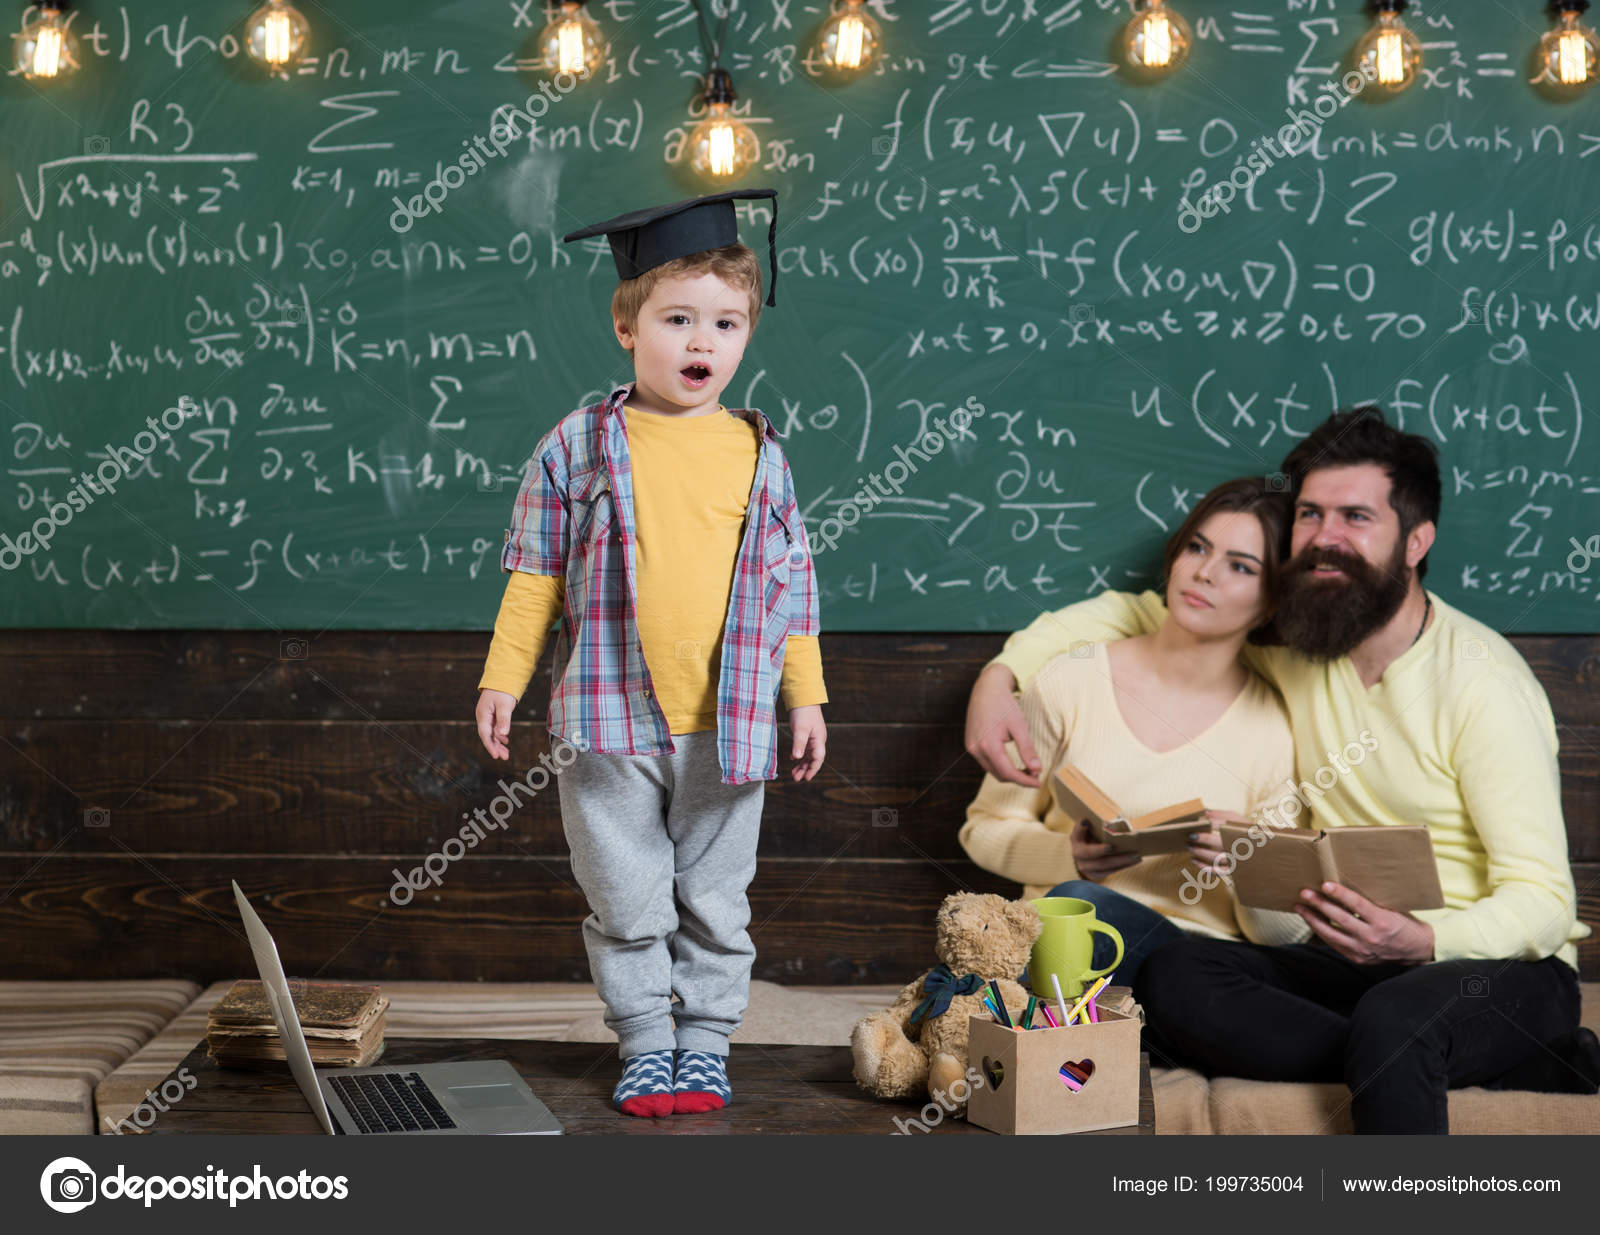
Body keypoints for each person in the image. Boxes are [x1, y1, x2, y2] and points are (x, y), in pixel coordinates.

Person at [966, 407, 1597, 1133]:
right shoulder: (1301, 640)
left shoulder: (1485, 683)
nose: (1327, 537)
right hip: (1351, 954)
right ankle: (1507, 1060)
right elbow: (1144, 614)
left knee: (1397, 1016)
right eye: (1310, 513)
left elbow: (1546, 900)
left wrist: (1425, 941)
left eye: (1356, 516)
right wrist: (1001, 676)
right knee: (1178, 975)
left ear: (1416, 540)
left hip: (1491, 964)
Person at [473, 190, 828, 1118]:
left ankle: (704, 1042)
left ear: (748, 331)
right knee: (626, 895)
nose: (700, 340)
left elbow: (792, 587)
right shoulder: (577, 446)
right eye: (677, 319)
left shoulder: (760, 455)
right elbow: (534, 576)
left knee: (716, 895)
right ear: (627, 325)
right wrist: (503, 678)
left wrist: (808, 697)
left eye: (725, 321)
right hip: (606, 719)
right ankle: (643, 1039)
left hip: (730, 721)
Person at [959, 478, 1309, 989]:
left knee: (1198, 979)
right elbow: (984, 828)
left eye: (1240, 566)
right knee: (1085, 910)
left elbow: (1285, 936)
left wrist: (1245, 865)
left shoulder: (1274, 728)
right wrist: (1069, 857)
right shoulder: (1072, 678)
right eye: (1197, 547)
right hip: (1067, 949)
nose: (1204, 573)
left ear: (1272, 602)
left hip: (1201, 968)